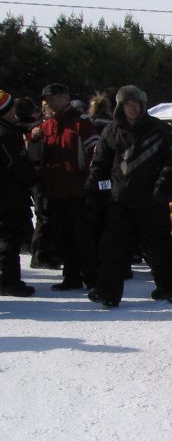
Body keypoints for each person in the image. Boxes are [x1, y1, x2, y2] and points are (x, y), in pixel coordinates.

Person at [87, 85, 172, 308]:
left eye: (136, 104)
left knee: (158, 245)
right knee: (112, 247)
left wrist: (165, 180)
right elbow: (100, 165)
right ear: (121, 107)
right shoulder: (111, 131)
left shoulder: (160, 130)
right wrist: (96, 191)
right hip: (120, 200)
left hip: (153, 199)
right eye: (127, 104)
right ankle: (108, 292)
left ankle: (168, 286)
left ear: (143, 105)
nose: (132, 108)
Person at [34, 82, 99, 290]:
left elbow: (95, 156)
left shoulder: (81, 124)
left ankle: (92, 278)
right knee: (63, 237)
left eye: (53, 99)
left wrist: (88, 181)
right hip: (55, 192)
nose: (49, 103)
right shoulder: (46, 126)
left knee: (84, 238)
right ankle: (71, 277)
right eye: (47, 100)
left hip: (78, 192)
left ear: (65, 98)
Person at [0, 89, 37, 296]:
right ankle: (9, 281)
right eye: (11, 106)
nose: (15, 110)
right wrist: (32, 178)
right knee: (9, 238)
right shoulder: (4, 133)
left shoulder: (8, 129)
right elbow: (15, 163)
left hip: (8, 193)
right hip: (8, 194)